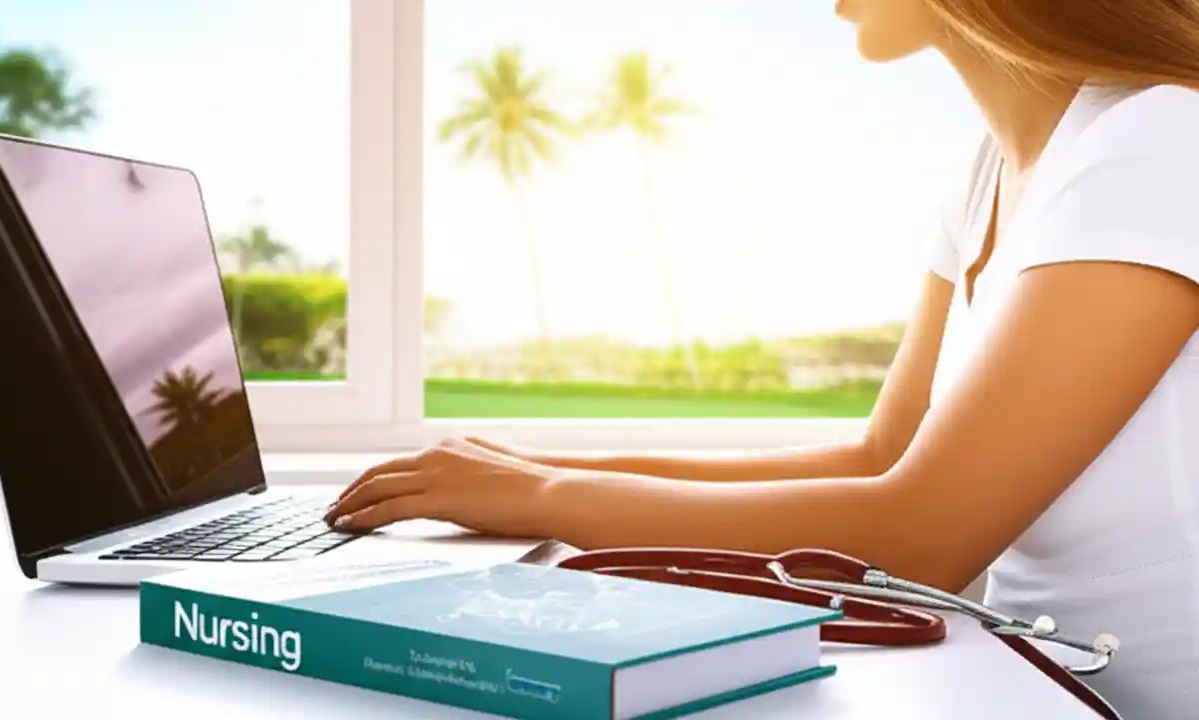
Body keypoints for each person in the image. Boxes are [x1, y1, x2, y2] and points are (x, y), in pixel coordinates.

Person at [326, 1, 1199, 715]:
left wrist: (545, 499)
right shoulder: (989, 174)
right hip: (1033, 686)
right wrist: (533, 471)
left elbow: (922, 535)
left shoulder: (1158, 141)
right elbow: (882, 456)